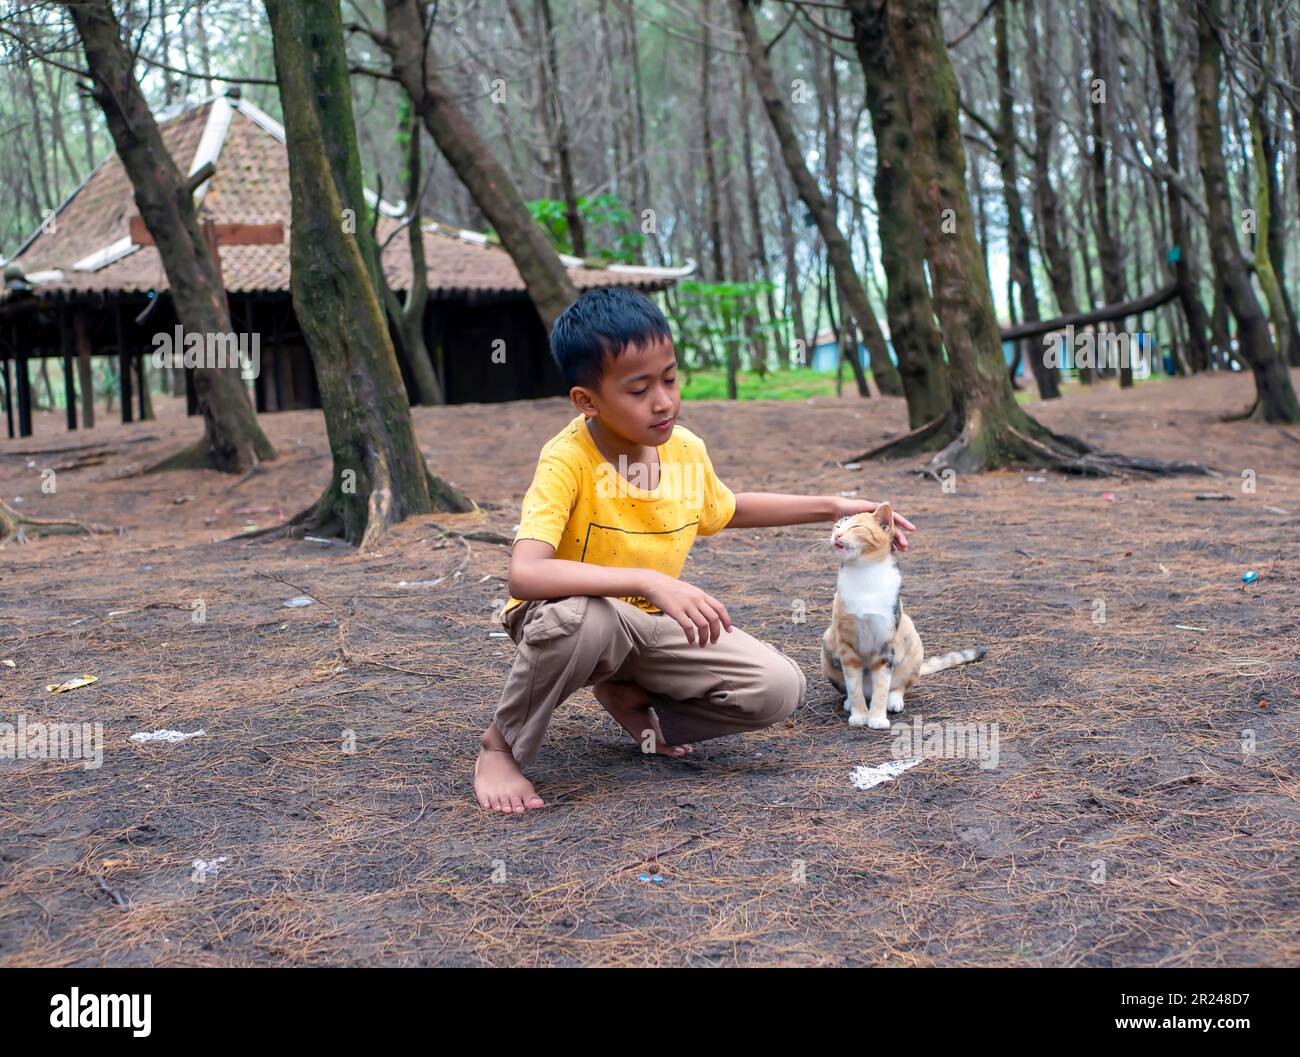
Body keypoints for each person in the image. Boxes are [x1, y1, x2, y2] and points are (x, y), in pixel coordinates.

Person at [474, 287, 914, 813]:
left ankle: (633, 700)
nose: (663, 400)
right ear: (587, 401)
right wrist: (647, 581)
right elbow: (525, 573)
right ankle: (500, 746)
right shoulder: (566, 460)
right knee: (584, 622)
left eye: (670, 378)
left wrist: (834, 504)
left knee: (778, 688)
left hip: (649, 624)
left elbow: (728, 509)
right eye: (639, 390)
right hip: (567, 618)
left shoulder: (684, 450)